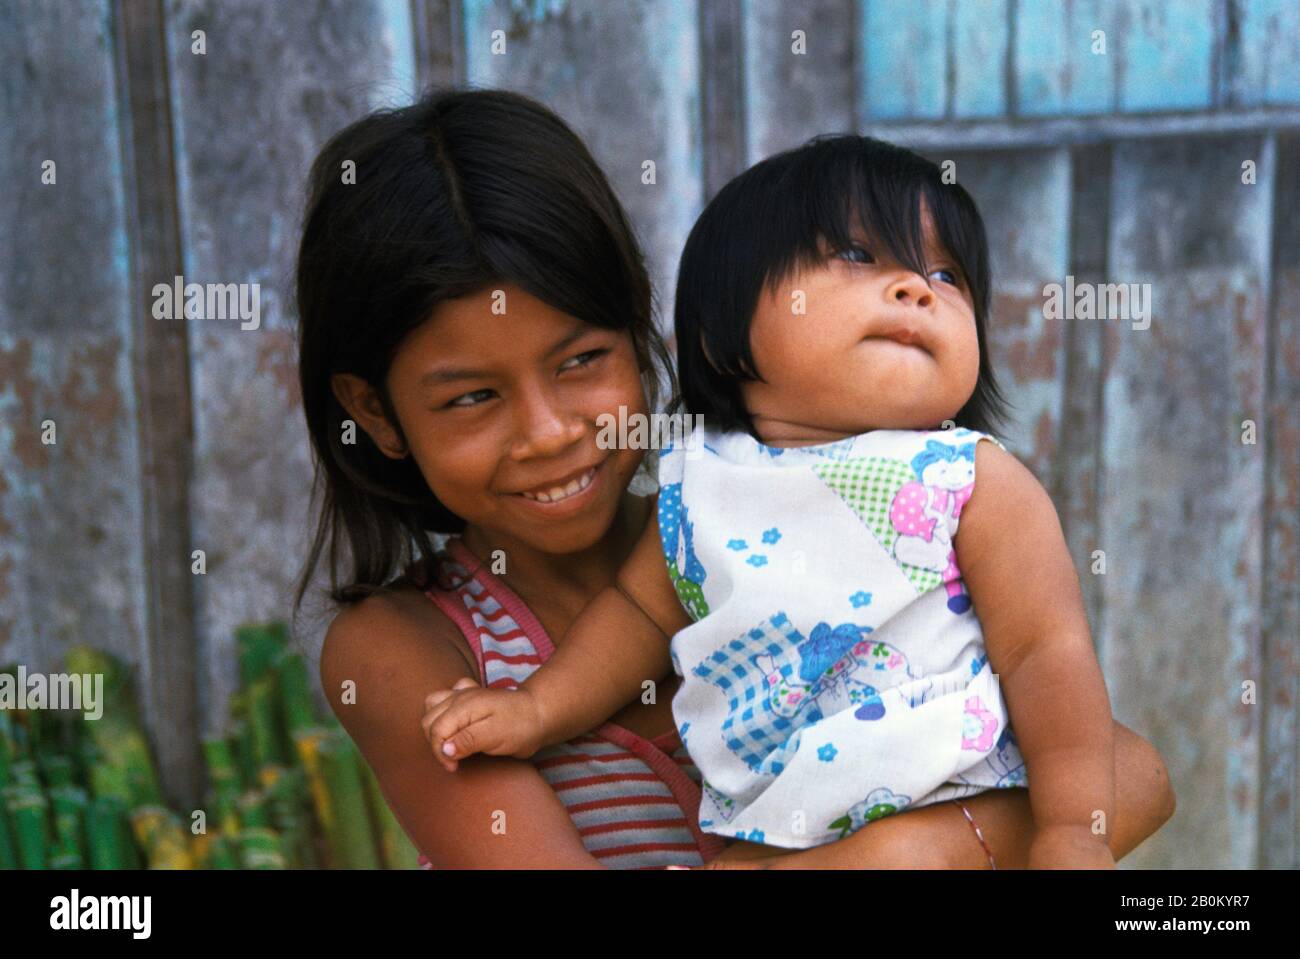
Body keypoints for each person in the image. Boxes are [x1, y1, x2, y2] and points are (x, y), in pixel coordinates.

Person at [296, 88, 1175, 869]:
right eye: (473, 397)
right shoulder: (410, 651)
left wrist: (903, 851)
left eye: (582, 361)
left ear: (643, 327)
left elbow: (1132, 773)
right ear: (374, 412)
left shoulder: (810, 521)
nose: (549, 432)